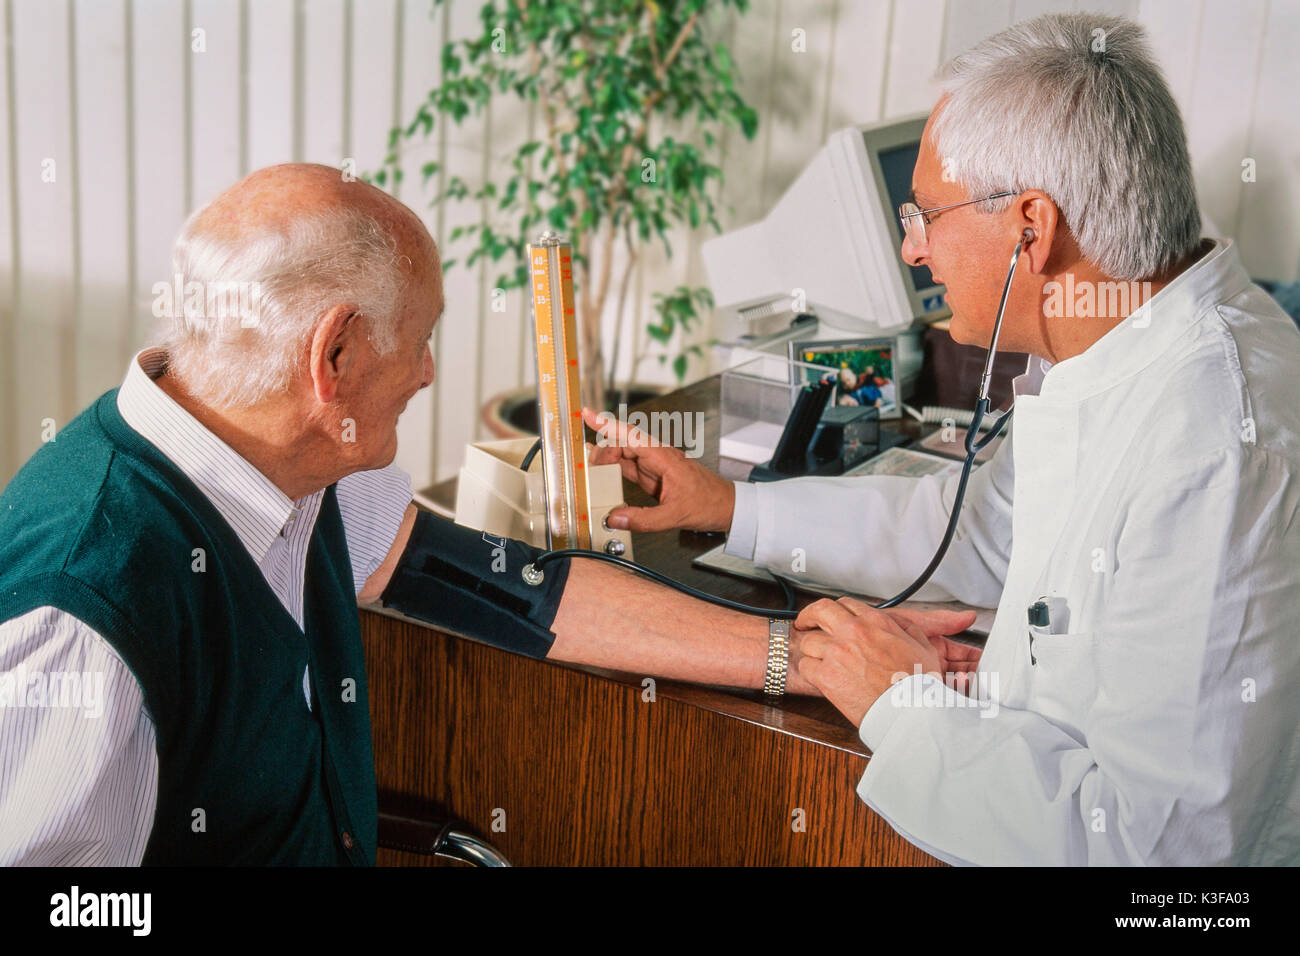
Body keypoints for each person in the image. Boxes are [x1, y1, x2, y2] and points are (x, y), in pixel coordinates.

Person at [0, 163, 970, 866]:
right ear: (331, 357)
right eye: (420, 340)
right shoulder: (84, 601)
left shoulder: (296, 452)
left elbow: (521, 595)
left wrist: (797, 652)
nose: (428, 371)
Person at [589, 12, 1300, 865]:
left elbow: (1161, 860)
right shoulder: (1125, 336)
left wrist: (903, 705)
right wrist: (731, 507)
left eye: (926, 215)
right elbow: (985, 532)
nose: (912, 249)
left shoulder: (1217, 444)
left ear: (1031, 228)